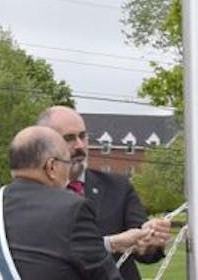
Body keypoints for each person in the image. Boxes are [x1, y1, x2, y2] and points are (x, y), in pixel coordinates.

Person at [37, 106, 170, 280]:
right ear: (45, 145)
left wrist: (149, 241)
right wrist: (112, 243)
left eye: (83, 136)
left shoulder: (118, 187)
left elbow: (143, 249)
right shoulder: (34, 195)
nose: (80, 145)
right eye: (69, 138)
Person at [0, 126, 122, 280]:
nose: (69, 173)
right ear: (51, 167)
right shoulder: (73, 208)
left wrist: (113, 243)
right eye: (68, 163)